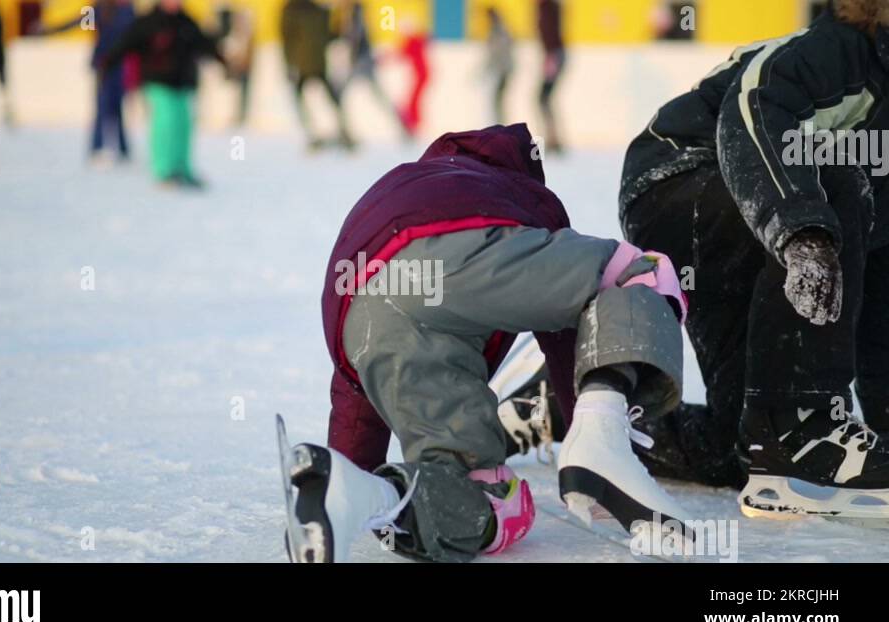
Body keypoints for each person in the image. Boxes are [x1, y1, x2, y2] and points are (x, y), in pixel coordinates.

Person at [282, 124, 692, 563]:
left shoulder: (410, 179)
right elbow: (564, 329)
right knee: (641, 272)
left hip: (359, 309)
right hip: (454, 255)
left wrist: (350, 465)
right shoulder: (519, 189)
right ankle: (602, 436)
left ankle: (362, 496)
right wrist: (582, 423)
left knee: (461, 481)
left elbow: (355, 392)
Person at [618, 0, 889, 520]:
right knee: (836, 177)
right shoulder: (841, 49)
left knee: (743, 440)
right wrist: (800, 231)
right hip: (678, 179)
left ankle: (575, 410)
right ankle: (799, 428)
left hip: (761, 220)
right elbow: (755, 110)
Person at [102, 0, 226, 187]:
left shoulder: (186, 21)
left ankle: (182, 168)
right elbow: (126, 44)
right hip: (158, 82)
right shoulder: (148, 22)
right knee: (164, 124)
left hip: (183, 83)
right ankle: (163, 170)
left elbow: (205, 45)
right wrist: (108, 62)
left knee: (183, 127)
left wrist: (224, 61)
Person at [36, 0, 136, 163]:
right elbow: (76, 23)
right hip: (103, 65)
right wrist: (50, 30)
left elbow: (138, 33)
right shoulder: (101, 8)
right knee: (102, 106)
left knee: (117, 107)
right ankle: (97, 148)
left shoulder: (127, 9)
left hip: (120, 65)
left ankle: (123, 149)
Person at [281, 0, 353, 150]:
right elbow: (332, 35)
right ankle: (332, 132)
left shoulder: (293, 9)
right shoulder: (316, 10)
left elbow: (288, 39)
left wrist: (289, 64)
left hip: (306, 63)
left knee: (307, 100)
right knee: (329, 99)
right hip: (313, 63)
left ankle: (320, 133)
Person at [337, 1, 406, 136]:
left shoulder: (355, 14)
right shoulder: (355, 13)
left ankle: (344, 131)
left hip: (360, 62)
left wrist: (350, 57)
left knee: (340, 95)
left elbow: (355, 38)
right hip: (363, 61)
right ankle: (402, 127)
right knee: (379, 97)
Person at [216, 4, 254, 128]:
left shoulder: (244, 32)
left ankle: (240, 116)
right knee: (231, 91)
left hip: (242, 66)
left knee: (240, 91)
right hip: (234, 67)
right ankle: (232, 115)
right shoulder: (230, 33)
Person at [537, 0, 565, 153]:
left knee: (543, 99)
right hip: (554, 54)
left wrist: (550, 57)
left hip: (554, 55)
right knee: (545, 99)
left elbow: (550, 32)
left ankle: (554, 140)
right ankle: (553, 139)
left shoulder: (547, 8)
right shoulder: (549, 7)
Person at [395, 19, 429, 137]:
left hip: (421, 75)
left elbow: (400, 54)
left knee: (414, 100)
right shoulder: (415, 40)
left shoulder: (412, 41)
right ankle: (415, 123)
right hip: (421, 75)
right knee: (414, 100)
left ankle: (415, 125)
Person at [485, 7, 514, 125]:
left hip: (504, 70)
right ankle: (500, 124)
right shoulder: (498, 30)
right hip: (502, 69)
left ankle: (501, 125)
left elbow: (499, 51)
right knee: (497, 100)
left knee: (498, 100)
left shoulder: (499, 31)